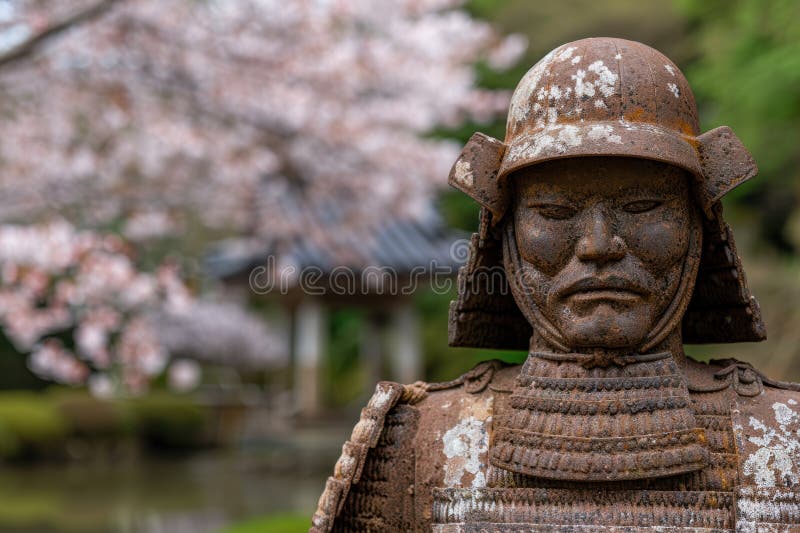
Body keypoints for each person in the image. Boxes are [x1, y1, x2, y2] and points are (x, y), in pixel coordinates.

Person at [310, 37, 800, 532]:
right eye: (554, 212)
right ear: (507, 235)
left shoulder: (788, 438)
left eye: (643, 208)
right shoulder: (415, 440)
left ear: (699, 227)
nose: (598, 245)